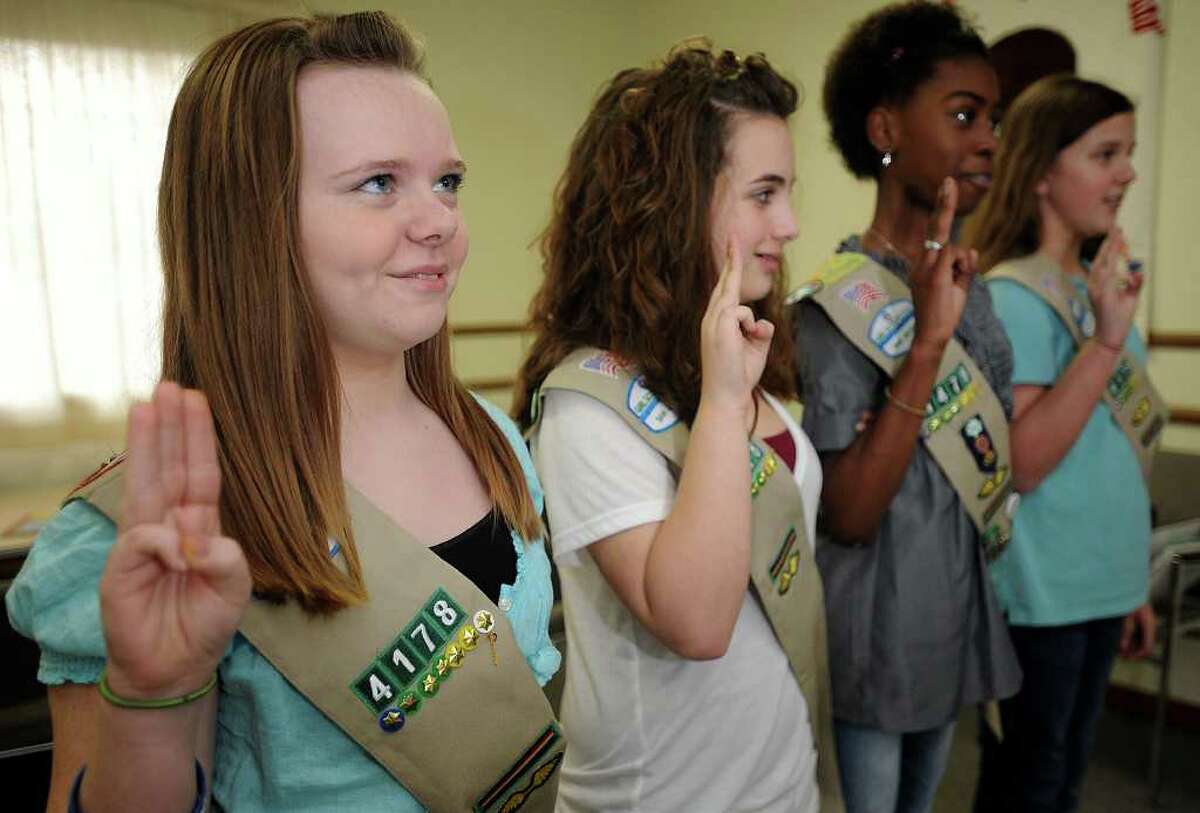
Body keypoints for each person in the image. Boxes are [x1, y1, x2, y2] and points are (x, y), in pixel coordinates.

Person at [5, 12, 562, 813]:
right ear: (251, 223)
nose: (439, 219)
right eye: (379, 183)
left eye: (448, 181)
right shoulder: (151, 532)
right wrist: (153, 691)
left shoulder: (495, 441)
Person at [511, 43, 843, 813]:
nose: (789, 223)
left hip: (780, 780)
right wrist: (727, 405)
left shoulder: (726, 351)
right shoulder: (588, 405)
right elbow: (696, 620)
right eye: (763, 194)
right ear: (674, 202)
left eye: (788, 191)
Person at [790, 3, 1022, 811]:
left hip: (952, 618)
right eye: (964, 114)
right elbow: (851, 509)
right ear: (885, 127)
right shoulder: (830, 308)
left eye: (993, 118)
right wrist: (923, 349)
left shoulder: (975, 291)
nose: (989, 138)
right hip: (876, 634)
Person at [966, 74, 1164, 813]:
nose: (1127, 173)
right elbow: (1025, 462)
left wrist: (1131, 576)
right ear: (1043, 171)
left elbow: (1116, 451)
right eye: (1106, 153)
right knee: (1029, 786)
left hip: (1099, 585)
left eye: (1130, 153)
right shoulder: (1012, 296)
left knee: (1066, 782)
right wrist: (1107, 344)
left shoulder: (1092, 284)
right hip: (1043, 595)